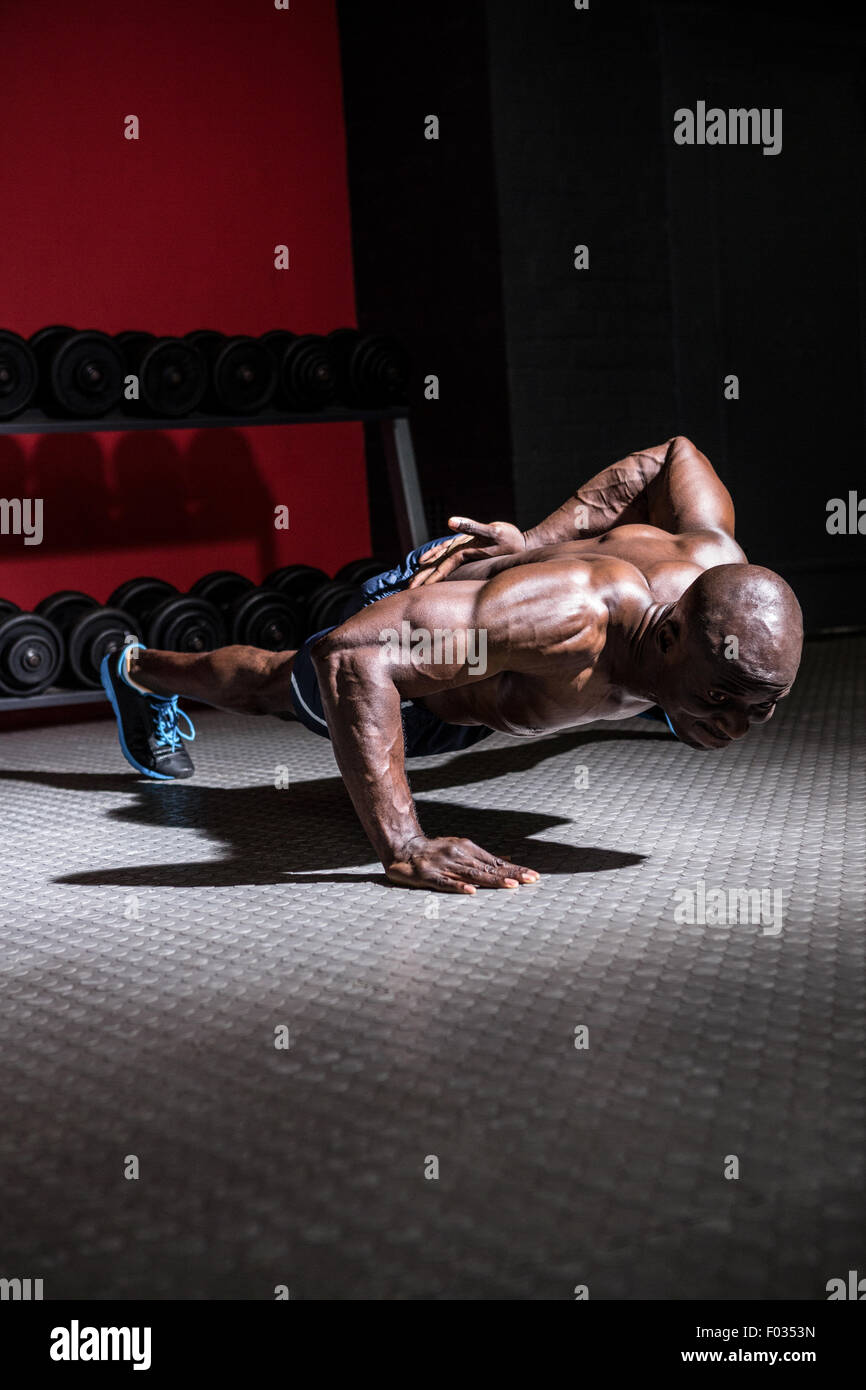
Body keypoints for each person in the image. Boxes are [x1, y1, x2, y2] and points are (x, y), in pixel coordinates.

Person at [101, 436, 803, 893]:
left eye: (760, 706)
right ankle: (138, 668)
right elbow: (354, 658)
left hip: (513, 648)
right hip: (429, 655)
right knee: (274, 684)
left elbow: (673, 456)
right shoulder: (573, 621)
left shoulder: (716, 562)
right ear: (671, 637)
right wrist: (403, 844)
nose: (738, 726)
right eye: (722, 698)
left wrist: (537, 537)